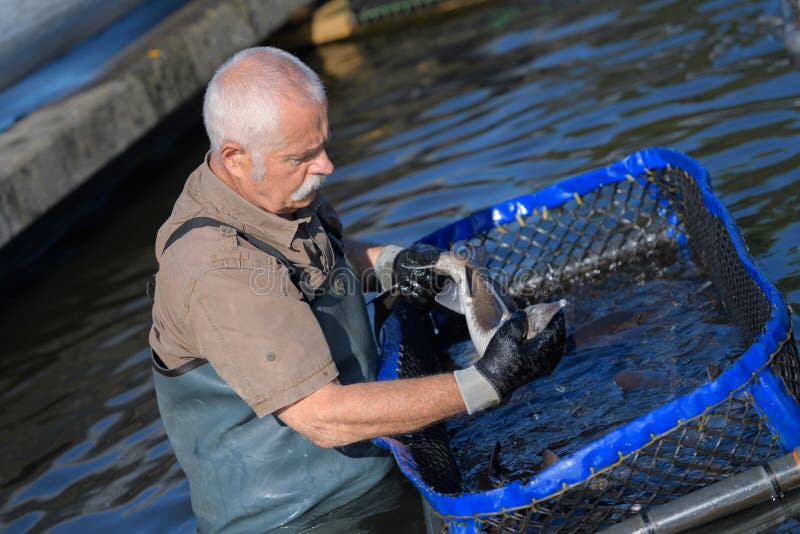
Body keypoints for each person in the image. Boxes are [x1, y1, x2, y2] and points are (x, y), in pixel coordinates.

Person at [149, 46, 561, 533]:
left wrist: (392, 264)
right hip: (303, 517)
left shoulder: (274, 187)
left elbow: (314, 262)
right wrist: (487, 382)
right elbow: (322, 417)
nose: (326, 166)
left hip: (379, 466)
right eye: (303, 156)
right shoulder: (215, 269)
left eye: (323, 143)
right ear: (235, 157)